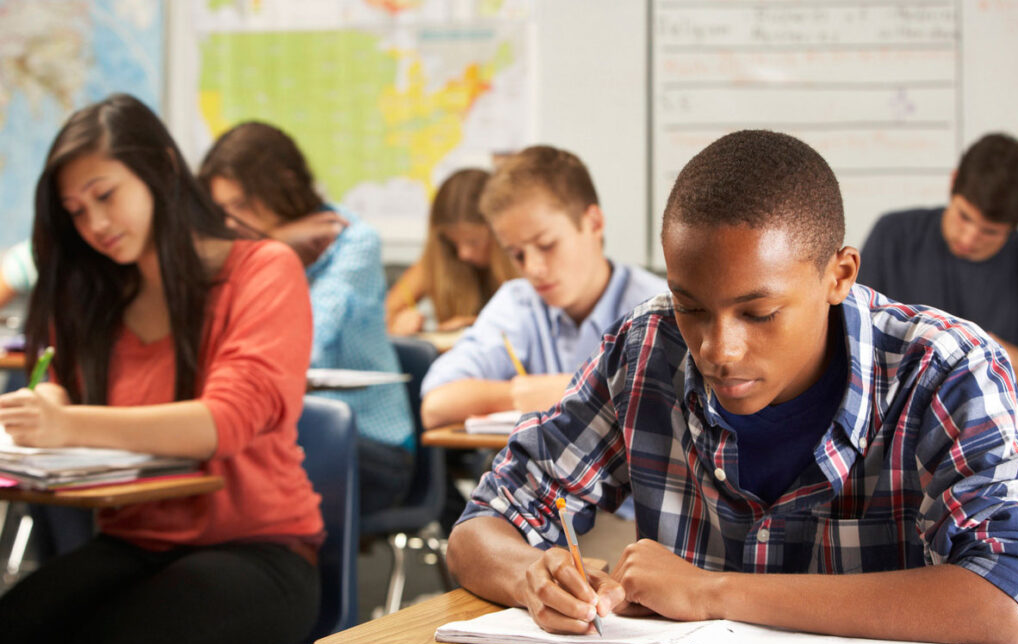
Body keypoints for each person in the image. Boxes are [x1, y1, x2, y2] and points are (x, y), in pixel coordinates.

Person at [444, 130, 1018, 644]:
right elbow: (481, 528)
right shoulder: (647, 349)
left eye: (759, 312)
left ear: (839, 275)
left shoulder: (943, 368)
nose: (719, 349)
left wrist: (714, 593)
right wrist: (531, 575)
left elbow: (1005, 602)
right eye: (691, 306)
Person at [0, 94, 322, 644]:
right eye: (75, 210)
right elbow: (63, 389)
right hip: (134, 544)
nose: (94, 224)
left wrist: (68, 422)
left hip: (259, 553)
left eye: (105, 195)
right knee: (13, 635)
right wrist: (51, 402)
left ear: (163, 171)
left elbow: (222, 422)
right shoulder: (95, 290)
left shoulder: (263, 270)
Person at [859, 132, 1018, 644]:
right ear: (953, 186)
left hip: (1009, 436)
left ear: (1016, 227)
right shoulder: (895, 234)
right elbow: (858, 349)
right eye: (964, 218)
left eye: (990, 232)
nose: (970, 237)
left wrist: (983, 355)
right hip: (901, 429)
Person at [199, 121, 415, 513]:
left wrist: (269, 256)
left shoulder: (353, 241)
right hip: (286, 434)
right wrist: (275, 245)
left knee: (248, 471)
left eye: (243, 206)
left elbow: (302, 347)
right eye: (222, 211)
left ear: (283, 184)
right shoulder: (242, 250)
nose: (231, 224)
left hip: (371, 445)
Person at [419, 145, 668, 430]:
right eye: (517, 254)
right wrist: (519, 394)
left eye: (547, 245)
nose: (533, 269)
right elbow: (436, 405)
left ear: (593, 223)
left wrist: (574, 389)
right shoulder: (518, 303)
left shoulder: (658, 308)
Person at [385, 168, 518, 336]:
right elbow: (386, 314)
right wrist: (400, 323)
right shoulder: (435, 262)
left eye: (473, 242)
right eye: (452, 243)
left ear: (499, 232)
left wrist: (477, 325)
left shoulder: (525, 262)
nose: (463, 253)